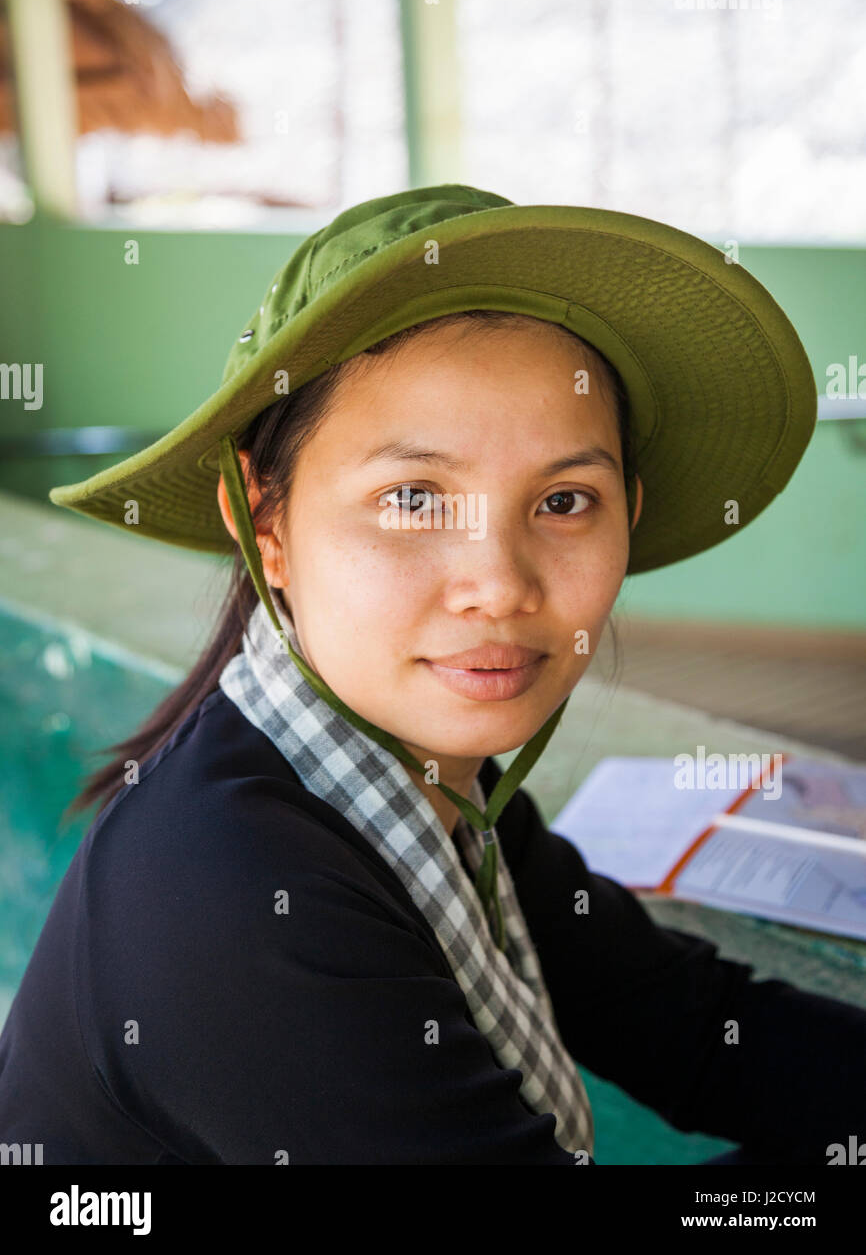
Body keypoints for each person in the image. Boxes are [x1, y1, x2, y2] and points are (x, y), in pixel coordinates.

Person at [1, 183, 863, 1165]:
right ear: (264, 521)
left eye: (565, 500)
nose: (496, 585)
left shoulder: (434, 797)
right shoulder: (231, 892)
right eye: (412, 497)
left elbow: (688, 1023)